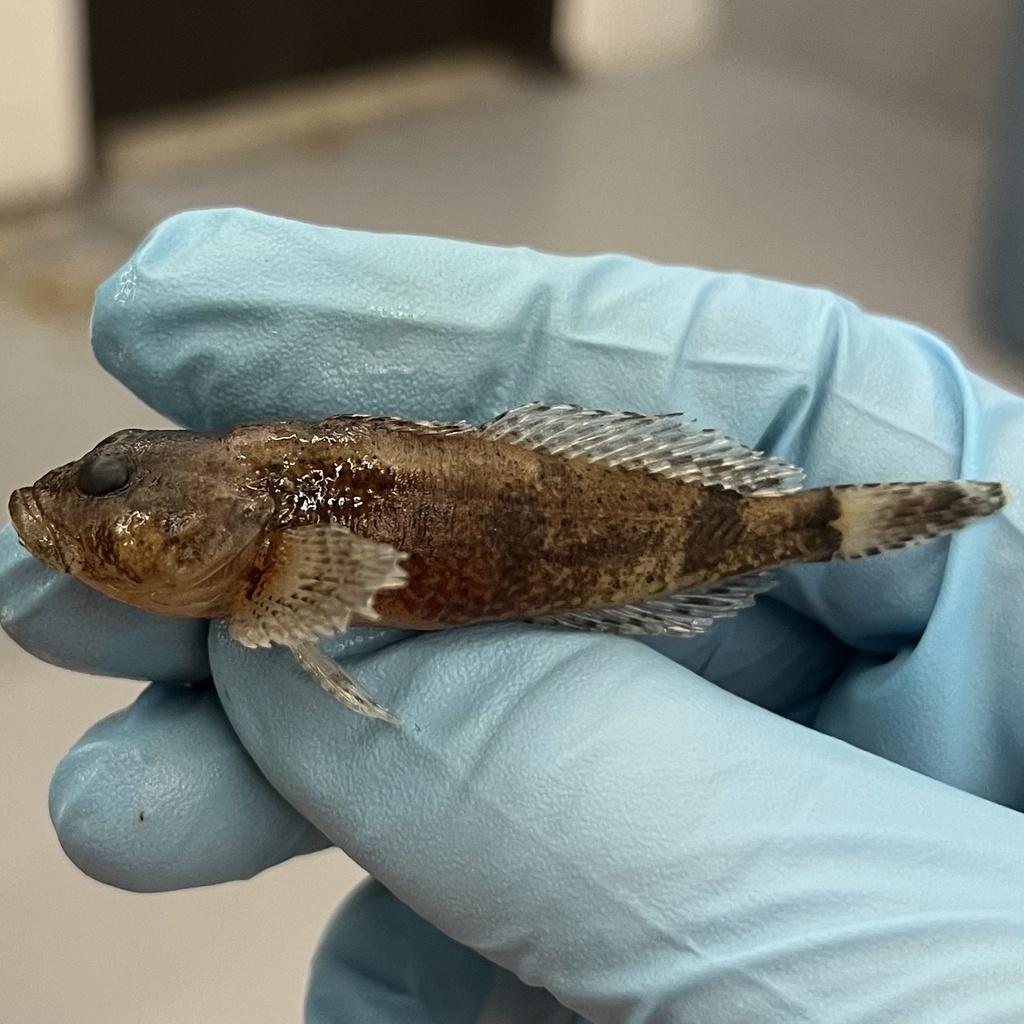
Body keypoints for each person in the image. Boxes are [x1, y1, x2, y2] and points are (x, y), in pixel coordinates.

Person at [2, 208, 1022, 1024]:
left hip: (619, 528)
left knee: (787, 528)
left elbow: (325, 588)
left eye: (106, 502)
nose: (71, 515)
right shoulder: (249, 495)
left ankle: (890, 513)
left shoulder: (268, 525)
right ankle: (894, 512)